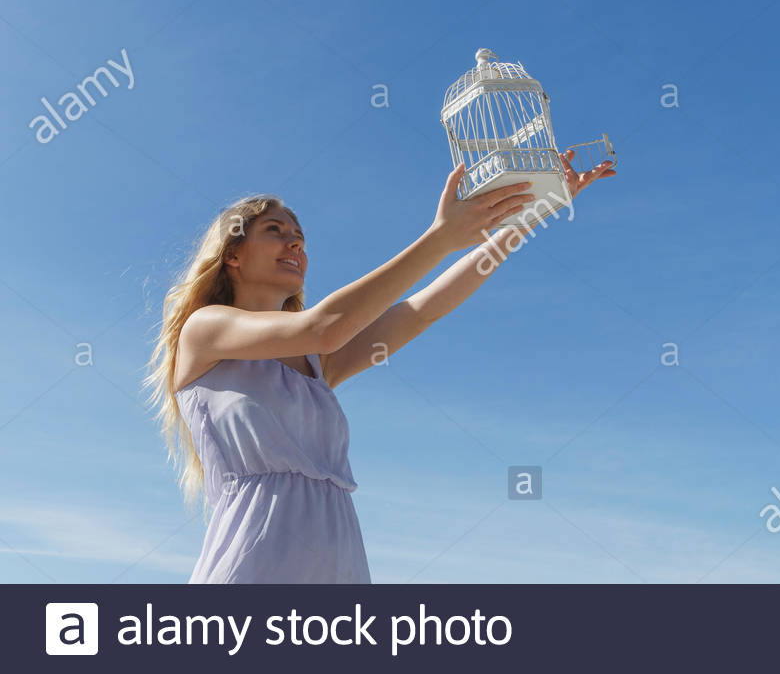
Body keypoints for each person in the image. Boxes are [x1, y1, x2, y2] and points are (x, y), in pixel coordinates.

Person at [143, 153, 616, 583]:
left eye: (300, 238)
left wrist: (528, 219)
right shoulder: (204, 332)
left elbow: (422, 310)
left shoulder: (317, 364)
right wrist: (439, 239)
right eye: (276, 231)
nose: (295, 244)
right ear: (232, 254)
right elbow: (326, 325)